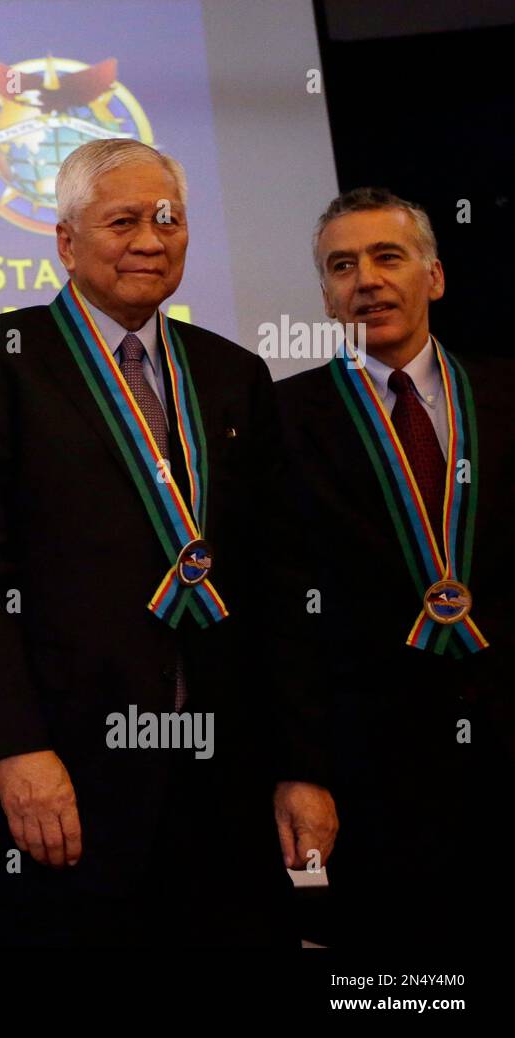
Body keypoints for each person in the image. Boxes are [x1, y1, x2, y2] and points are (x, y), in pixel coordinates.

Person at [0, 139, 335, 947]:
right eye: (123, 221)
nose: (151, 238)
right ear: (67, 242)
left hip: (222, 787)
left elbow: (281, 584)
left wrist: (301, 763)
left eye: (168, 219)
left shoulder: (234, 374)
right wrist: (18, 747)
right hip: (63, 781)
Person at [277, 187, 514, 946]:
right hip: (372, 780)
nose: (366, 280)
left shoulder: (509, 395)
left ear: (434, 277)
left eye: (388, 257)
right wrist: (302, 767)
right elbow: (281, 615)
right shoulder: (282, 419)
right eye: (342, 266)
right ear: (324, 296)